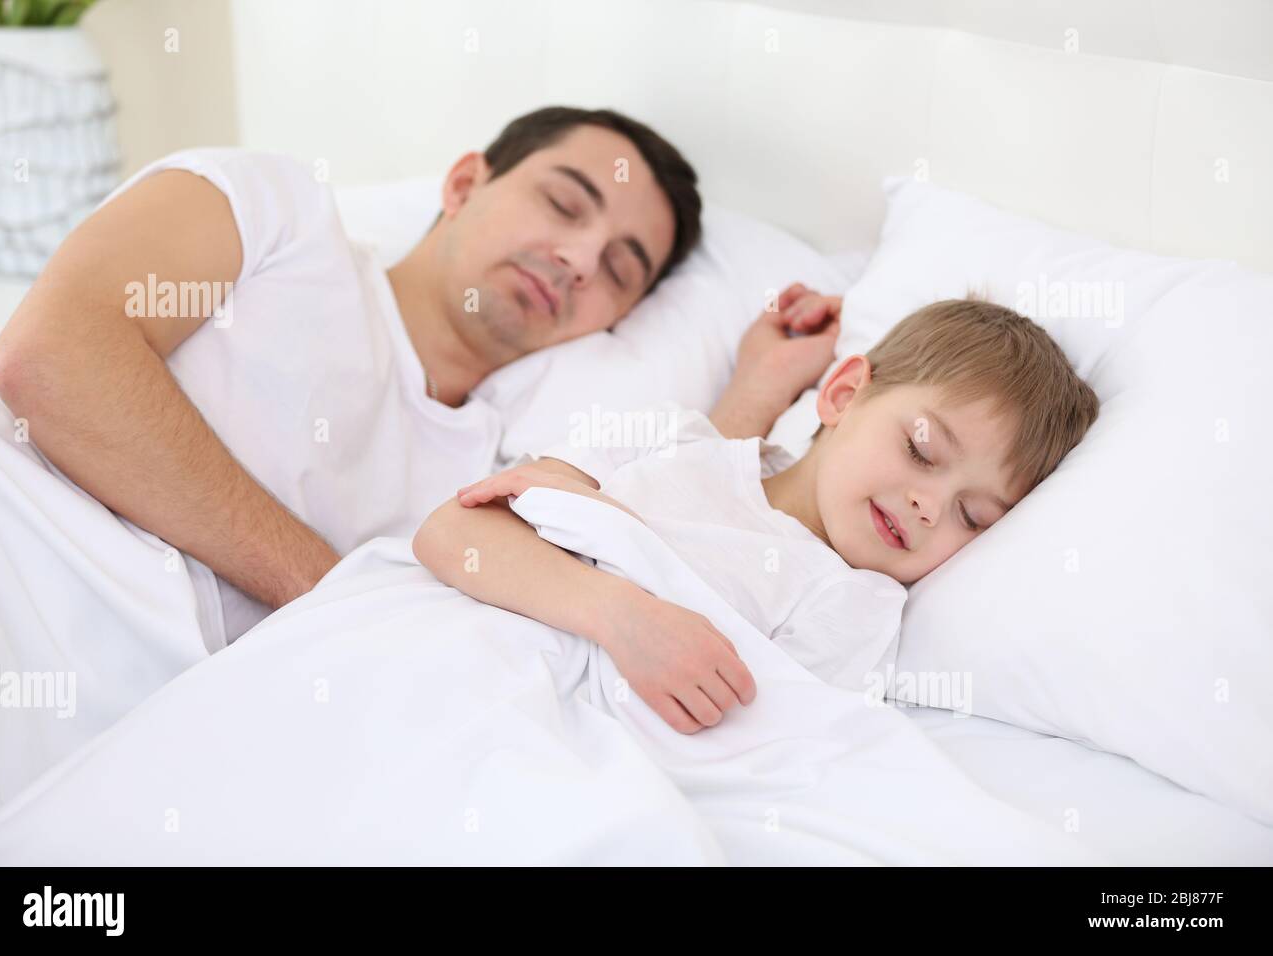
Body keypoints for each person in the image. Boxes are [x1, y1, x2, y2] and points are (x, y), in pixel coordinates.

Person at [0, 106, 837, 648]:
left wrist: (758, 388)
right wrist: (330, 598)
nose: (580, 259)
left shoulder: (485, 493)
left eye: (621, 267)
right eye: (565, 204)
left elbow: (660, 545)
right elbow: (50, 354)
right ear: (466, 181)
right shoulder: (278, 214)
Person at [413, 298, 1101, 734]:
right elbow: (452, 532)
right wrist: (621, 612)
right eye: (922, 450)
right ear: (841, 393)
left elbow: (761, 744)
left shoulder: (856, 606)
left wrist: (595, 535)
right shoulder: (670, 441)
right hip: (453, 669)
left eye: (973, 517)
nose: (930, 506)